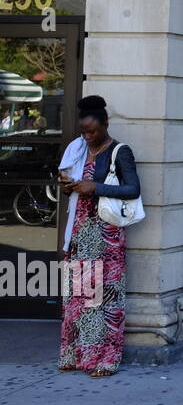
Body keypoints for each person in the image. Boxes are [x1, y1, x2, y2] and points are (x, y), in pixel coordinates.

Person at [57, 95, 140, 377]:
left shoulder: (120, 151)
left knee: (104, 300)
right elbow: (72, 185)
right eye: (84, 131)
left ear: (105, 124)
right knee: (77, 297)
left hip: (105, 235)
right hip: (80, 233)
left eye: (92, 131)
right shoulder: (78, 149)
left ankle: (106, 360)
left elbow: (133, 190)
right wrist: (69, 186)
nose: (88, 136)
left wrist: (96, 187)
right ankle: (74, 355)